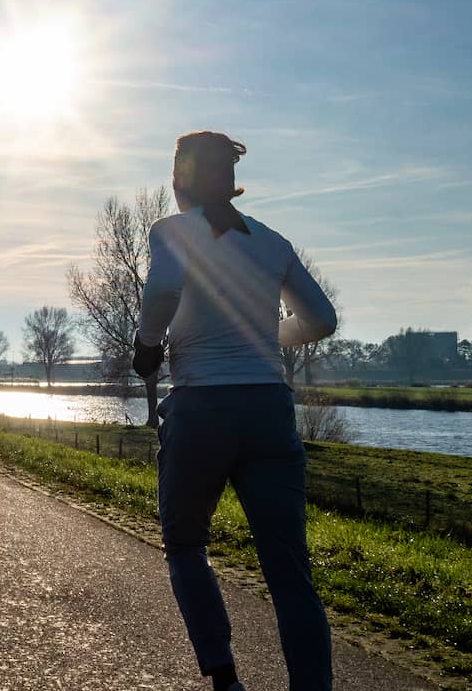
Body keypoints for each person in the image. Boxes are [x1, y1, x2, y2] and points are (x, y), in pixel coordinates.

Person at [133, 132, 338, 691]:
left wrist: (148, 345)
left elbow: (164, 289)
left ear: (179, 181)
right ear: (231, 180)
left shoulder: (172, 230)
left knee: (186, 544)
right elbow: (321, 320)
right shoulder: (273, 243)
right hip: (269, 410)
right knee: (290, 573)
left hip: (202, 407)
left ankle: (226, 680)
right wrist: (266, 334)